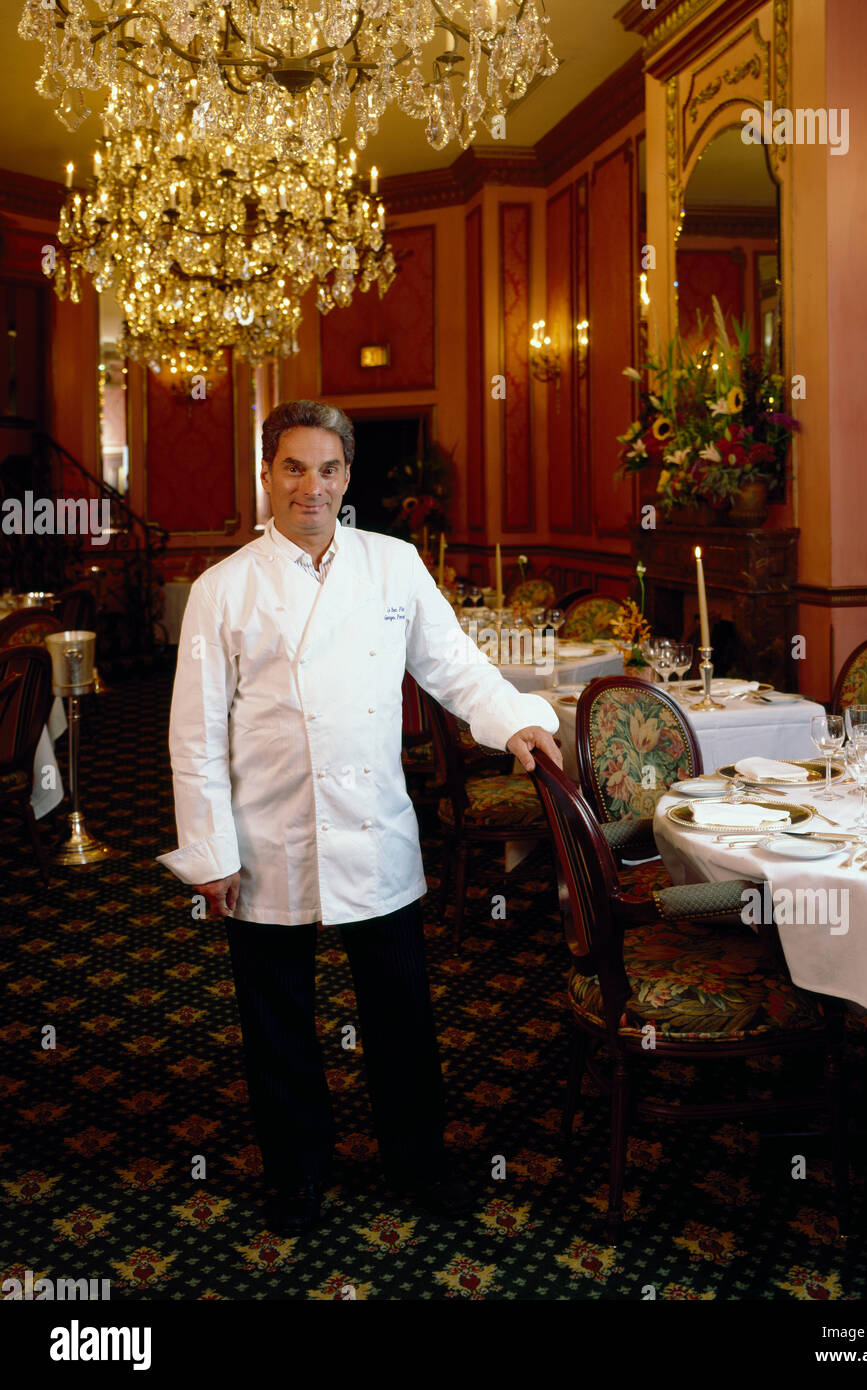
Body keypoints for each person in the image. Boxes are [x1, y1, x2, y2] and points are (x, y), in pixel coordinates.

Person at [157, 399, 562, 1235]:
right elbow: (194, 736)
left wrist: (515, 721)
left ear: (348, 476)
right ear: (267, 475)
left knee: (402, 1014)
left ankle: (418, 1160)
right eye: (294, 468)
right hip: (267, 834)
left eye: (329, 469)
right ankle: (295, 1172)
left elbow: (457, 667)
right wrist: (209, 852)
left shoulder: (395, 565)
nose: (313, 487)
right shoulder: (221, 589)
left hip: (375, 824)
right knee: (278, 1025)